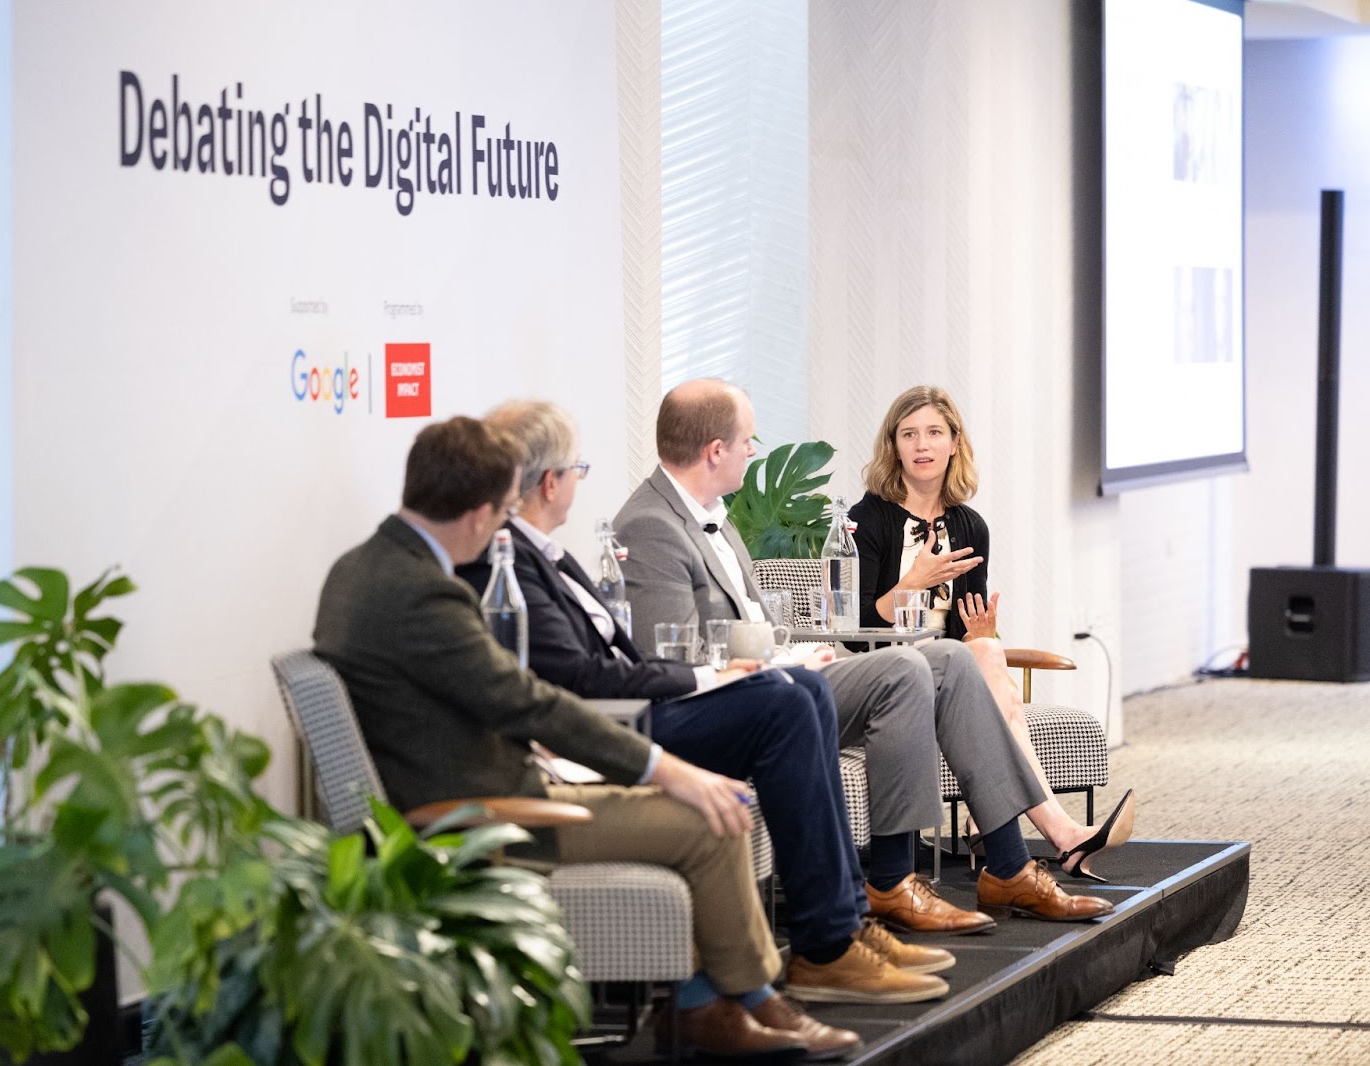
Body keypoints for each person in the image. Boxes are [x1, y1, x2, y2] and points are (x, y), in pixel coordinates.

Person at [314, 416, 825, 1059]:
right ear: (479, 513)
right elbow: (528, 701)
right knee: (715, 815)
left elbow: (477, 700)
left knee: (706, 799)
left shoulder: (358, 569)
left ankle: (712, 1004)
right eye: (502, 511)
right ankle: (741, 1003)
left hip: (458, 793)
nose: (504, 526)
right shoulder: (424, 593)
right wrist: (666, 768)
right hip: (480, 821)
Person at [456, 401, 952, 1031]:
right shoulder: (511, 562)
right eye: (577, 468)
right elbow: (583, 677)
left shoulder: (541, 553)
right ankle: (826, 944)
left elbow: (615, 653)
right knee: (783, 702)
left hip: (636, 704)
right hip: (616, 728)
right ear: (551, 481)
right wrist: (708, 676)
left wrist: (729, 671)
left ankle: (843, 927)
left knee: (801, 690)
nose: (580, 480)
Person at [614, 379, 1114, 931]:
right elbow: (669, 658)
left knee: (951, 658)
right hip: (740, 700)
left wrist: (793, 652)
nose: (753, 452)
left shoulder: (715, 518)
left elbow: (755, 623)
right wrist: (782, 662)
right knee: (904, 664)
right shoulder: (652, 525)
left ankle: (1009, 866)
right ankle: (894, 882)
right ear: (715, 451)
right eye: (746, 441)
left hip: (781, 677)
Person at [850, 385, 1135, 881]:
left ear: (954, 443)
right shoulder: (868, 518)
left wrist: (982, 633)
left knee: (983, 648)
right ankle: (1059, 834)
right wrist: (912, 584)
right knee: (986, 669)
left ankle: (1019, 830)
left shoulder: (969, 526)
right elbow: (855, 633)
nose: (922, 445)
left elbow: (963, 628)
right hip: (891, 674)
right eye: (909, 434)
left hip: (951, 676)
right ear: (893, 446)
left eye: (934, 433)